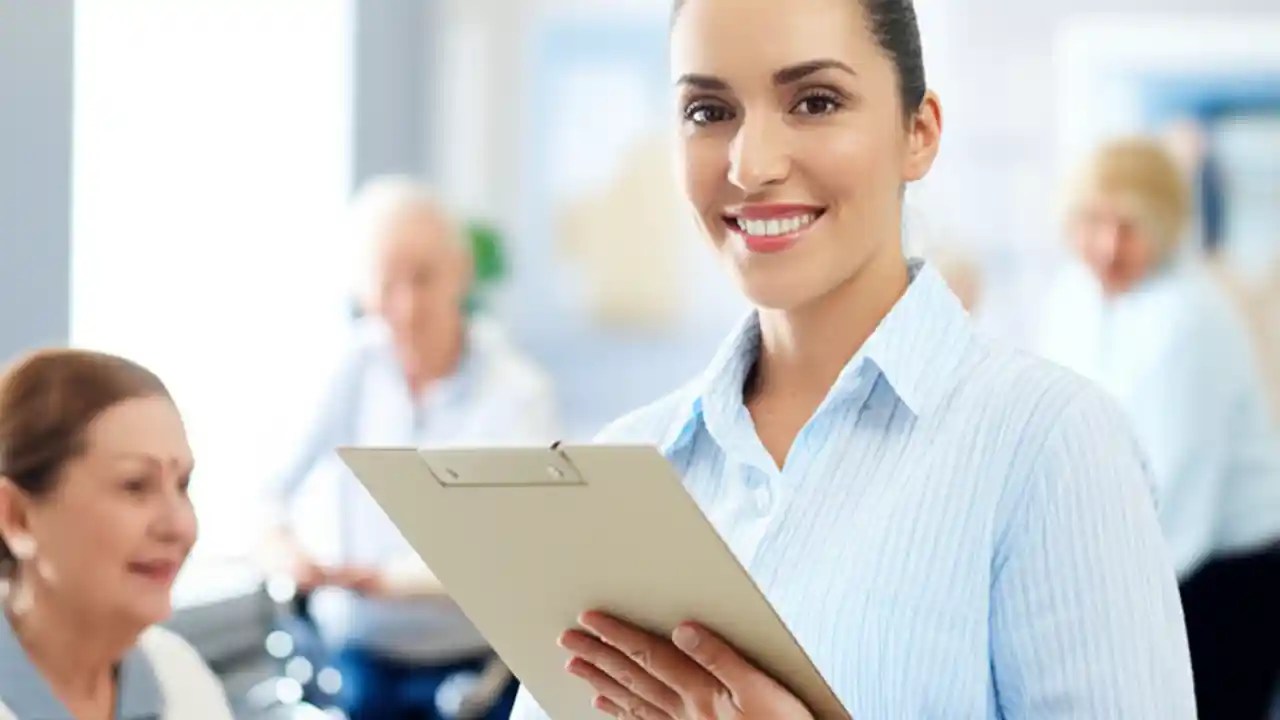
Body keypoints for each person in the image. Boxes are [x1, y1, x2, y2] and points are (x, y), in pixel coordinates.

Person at [511, 0, 1196, 718]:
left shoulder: (1052, 444)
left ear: (919, 133)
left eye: (814, 101)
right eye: (709, 112)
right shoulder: (625, 462)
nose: (751, 166)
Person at [262, 176, 559, 720]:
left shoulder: (517, 391)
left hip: (474, 666)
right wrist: (285, 548)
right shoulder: (346, 368)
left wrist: (385, 580)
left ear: (459, 273)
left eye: (422, 279)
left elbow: (512, 546)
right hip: (359, 656)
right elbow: (268, 491)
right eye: (384, 284)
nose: (404, 307)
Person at [1037, 137, 1280, 719]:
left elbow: (1178, 508)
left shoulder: (1190, 320)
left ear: (1167, 227)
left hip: (1224, 572)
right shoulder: (1072, 298)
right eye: (1093, 222)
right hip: (1138, 558)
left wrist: (1091, 609)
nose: (1108, 245)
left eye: (1131, 226)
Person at [0, 349, 232, 719]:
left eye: (182, 485)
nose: (181, 527)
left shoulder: (180, 678)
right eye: (135, 485)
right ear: (17, 518)